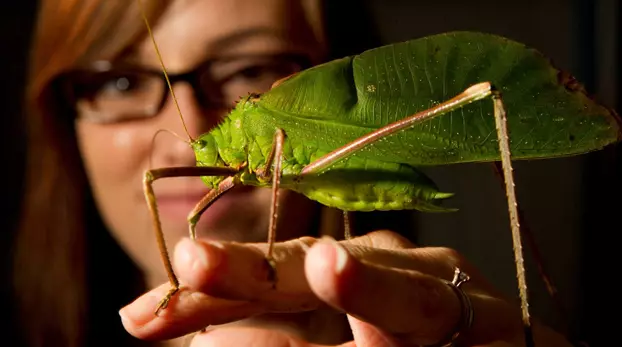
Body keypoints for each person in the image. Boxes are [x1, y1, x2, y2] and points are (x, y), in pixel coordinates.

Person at [13, 0, 575, 346]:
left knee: (485, 97)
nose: (185, 125)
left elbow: (281, 143)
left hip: (340, 155)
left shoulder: (268, 130)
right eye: (118, 82)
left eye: (250, 68)